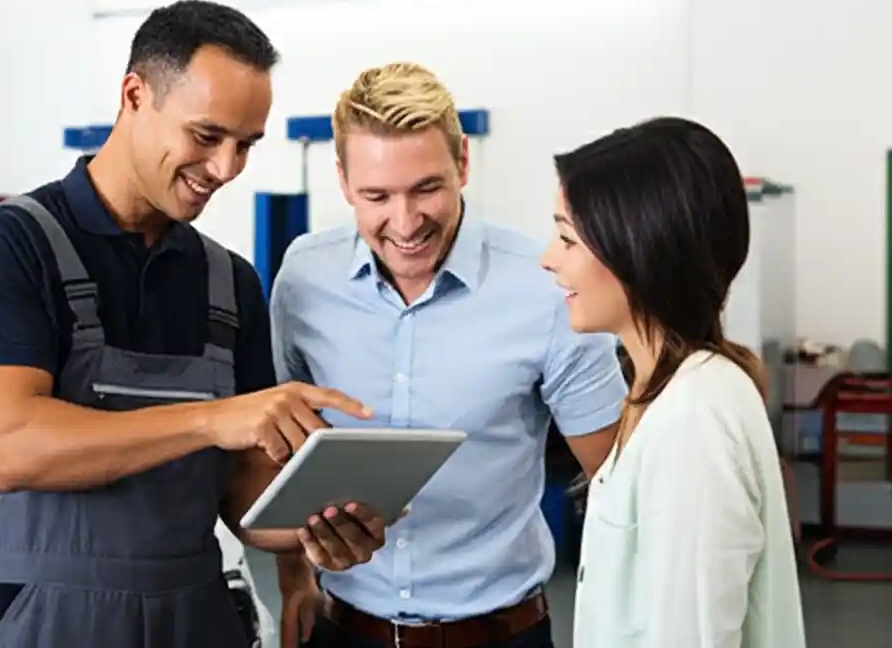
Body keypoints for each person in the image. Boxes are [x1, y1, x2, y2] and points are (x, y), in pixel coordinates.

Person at [0, 0, 391, 648]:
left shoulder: (228, 283)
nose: (227, 169)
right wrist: (210, 418)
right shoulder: (6, 247)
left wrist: (315, 533)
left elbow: (243, 500)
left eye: (246, 146)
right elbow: (10, 447)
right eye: (207, 137)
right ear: (134, 95)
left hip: (192, 618)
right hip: (37, 621)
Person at [269, 61, 629, 648]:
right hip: (345, 630)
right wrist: (293, 581)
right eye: (377, 196)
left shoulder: (544, 285)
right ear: (342, 182)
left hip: (500, 633)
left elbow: (617, 485)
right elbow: (286, 456)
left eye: (427, 189)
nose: (406, 222)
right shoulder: (304, 277)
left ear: (463, 164)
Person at [540, 117, 807, 647]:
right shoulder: (663, 394)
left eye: (567, 239)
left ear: (636, 251)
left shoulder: (694, 419)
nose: (548, 258)